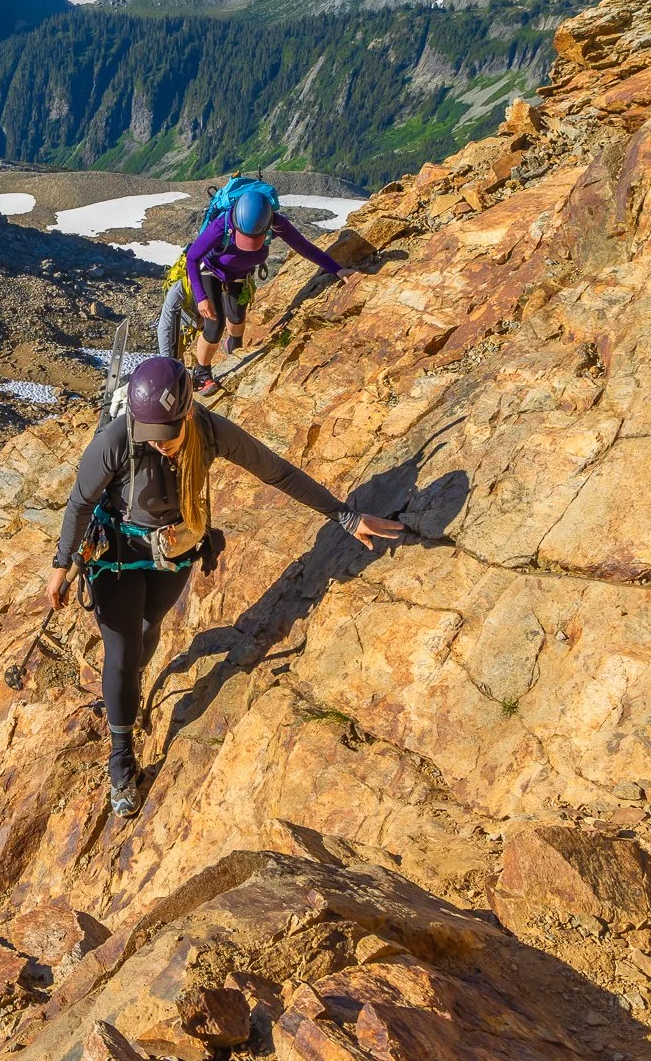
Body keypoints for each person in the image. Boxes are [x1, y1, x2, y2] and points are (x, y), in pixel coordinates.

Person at [42, 355, 406, 816]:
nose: (159, 448)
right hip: (116, 554)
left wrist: (346, 516)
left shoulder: (209, 432)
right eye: (150, 438)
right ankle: (121, 756)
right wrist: (61, 564)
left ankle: (128, 683)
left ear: (188, 412)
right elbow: (79, 504)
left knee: (150, 624)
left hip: (172, 553)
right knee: (122, 650)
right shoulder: (118, 441)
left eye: (167, 437)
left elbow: (278, 472)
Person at [163, 186, 345, 392]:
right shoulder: (220, 226)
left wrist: (337, 270)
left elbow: (304, 247)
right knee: (215, 325)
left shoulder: (276, 224)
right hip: (211, 271)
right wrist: (202, 297)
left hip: (241, 273)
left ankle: (234, 348)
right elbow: (193, 257)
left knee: (237, 318)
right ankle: (202, 374)